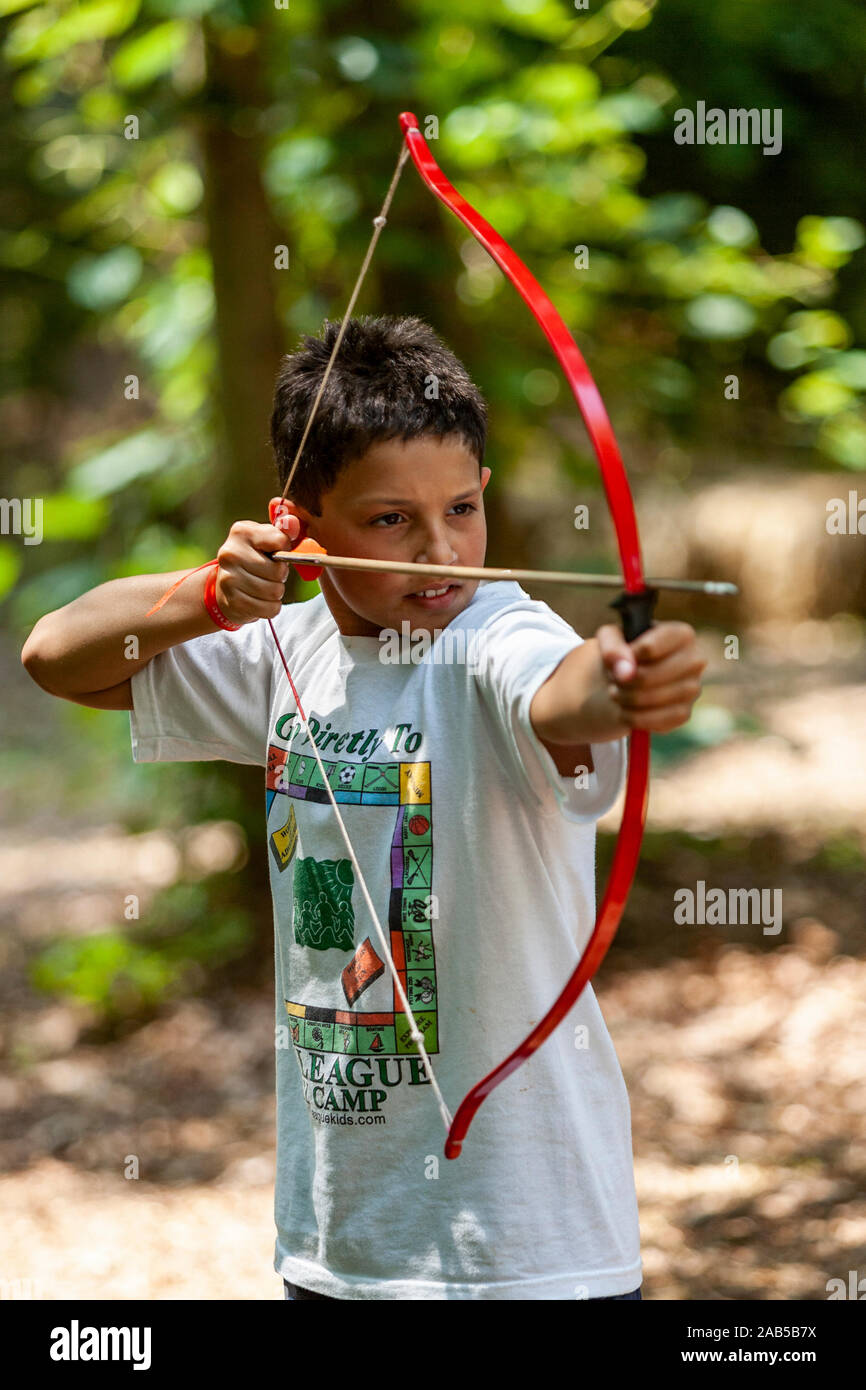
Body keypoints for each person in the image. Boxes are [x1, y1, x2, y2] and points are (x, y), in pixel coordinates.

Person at [22, 314, 706, 1300]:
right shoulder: (281, 652)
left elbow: (556, 693)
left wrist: (619, 685)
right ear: (298, 524)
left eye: (463, 508)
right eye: (391, 520)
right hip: (339, 1243)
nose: (442, 552)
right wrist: (206, 598)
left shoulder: (495, 630)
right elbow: (56, 654)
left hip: (529, 1247)